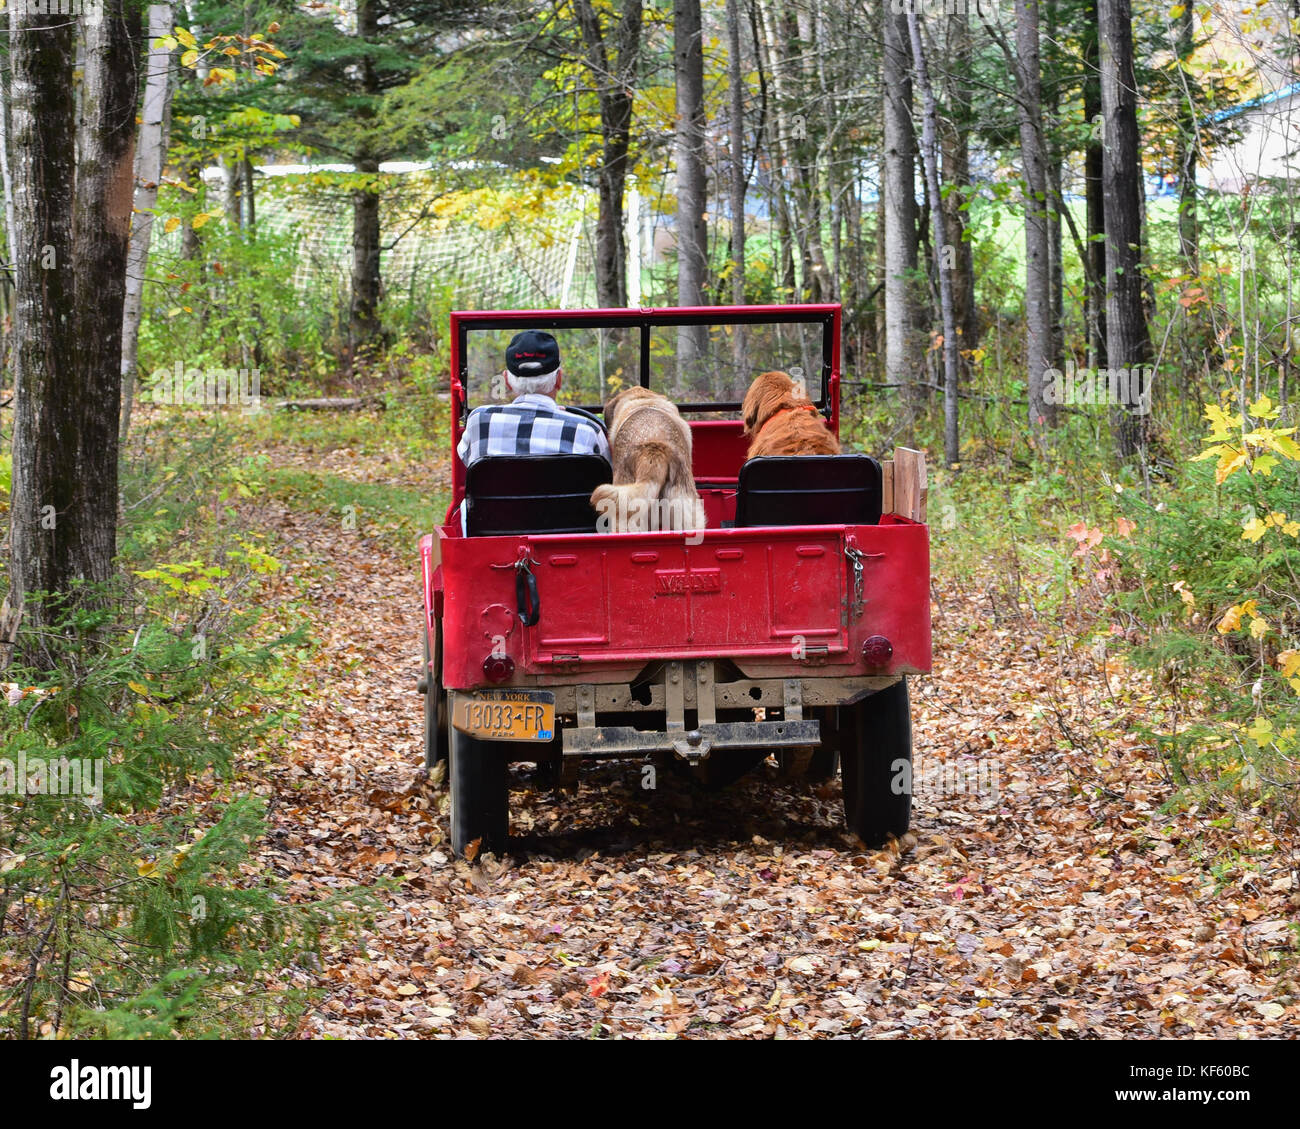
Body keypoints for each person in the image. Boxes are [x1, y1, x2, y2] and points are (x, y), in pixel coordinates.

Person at [457, 330, 610, 467]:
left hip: (498, 500)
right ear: (559, 379)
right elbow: (608, 473)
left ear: (507, 381)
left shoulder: (479, 421)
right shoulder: (588, 431)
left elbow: (466, 459)